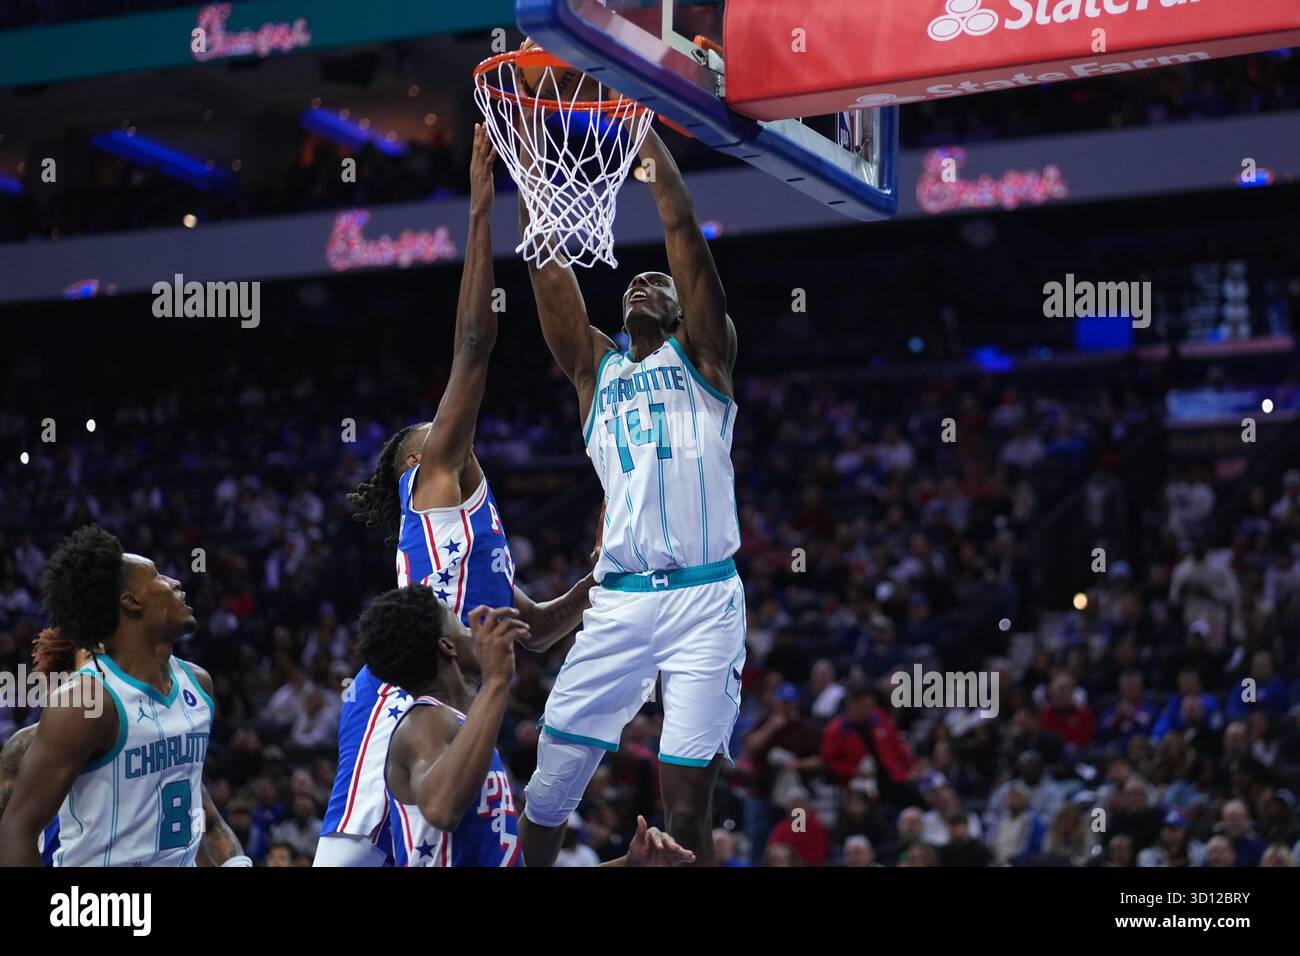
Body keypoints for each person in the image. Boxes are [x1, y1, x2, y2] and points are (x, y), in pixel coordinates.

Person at [318, 127, 595, 866]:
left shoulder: (476, 521)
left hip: (445, 698)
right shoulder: (432, 483)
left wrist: (602, 581)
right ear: (416, 460)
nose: (445, 429)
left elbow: (532, 628)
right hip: (398, 704)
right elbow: (474, 345)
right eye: (431, 430)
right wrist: (480, 206)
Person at [519, 125, 745, 866]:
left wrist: (641, 132)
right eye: (632, 283)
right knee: (548, 789)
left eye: (661, 283)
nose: (643, 281)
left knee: (687, 803)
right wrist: (528, 178)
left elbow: (681, 226)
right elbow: (548, 272)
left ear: (686, 311)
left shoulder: (704, 360)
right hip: (616, 603)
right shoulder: (597, 374)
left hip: (704, 599)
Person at [359, 585, 691, 867]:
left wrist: (628, 864)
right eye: (461, 626)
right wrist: (496, 680)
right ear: (447, 647)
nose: (474, 631)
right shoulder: (424, 721)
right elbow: (441, 808)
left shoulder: (462, 727)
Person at [0, 526, 246, 867]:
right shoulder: (86, 702)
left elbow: (200, 816)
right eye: (158, 575)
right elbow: (17, 829)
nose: (175, 582)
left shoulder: (198, 684)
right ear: (130, 601)